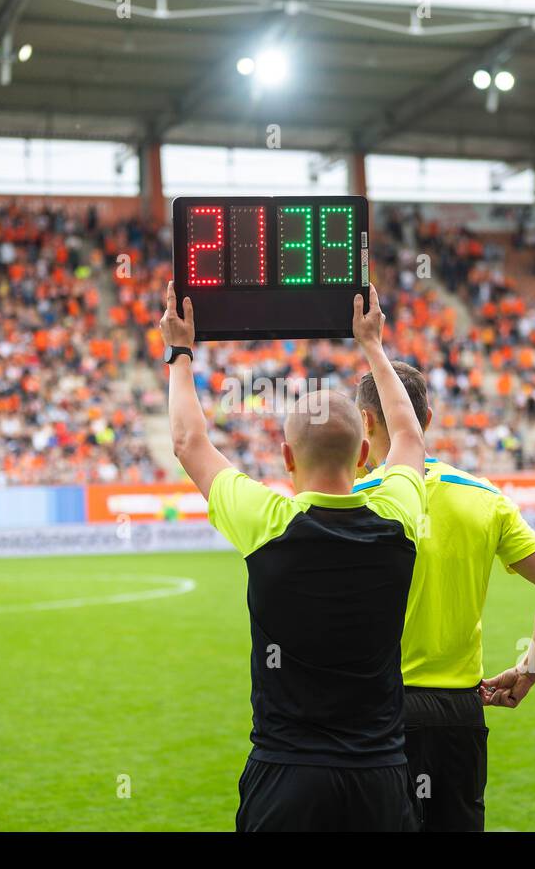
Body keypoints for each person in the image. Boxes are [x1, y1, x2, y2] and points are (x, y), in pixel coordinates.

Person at [162, 282, 427, 832]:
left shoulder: (267, 522)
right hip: (379, 773)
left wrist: (180, 352)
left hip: (286, 775)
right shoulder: (397, 517)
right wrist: (373, 346)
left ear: (285, 456)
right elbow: (408, 433)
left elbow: (189, 442)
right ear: (361, 454)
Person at [352, 361, 535, 831]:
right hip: (460, 710)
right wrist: (529, 671)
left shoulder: (354, 501)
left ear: (366, 423)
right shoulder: (483, 496)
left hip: (380, 708)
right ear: (427, 419)